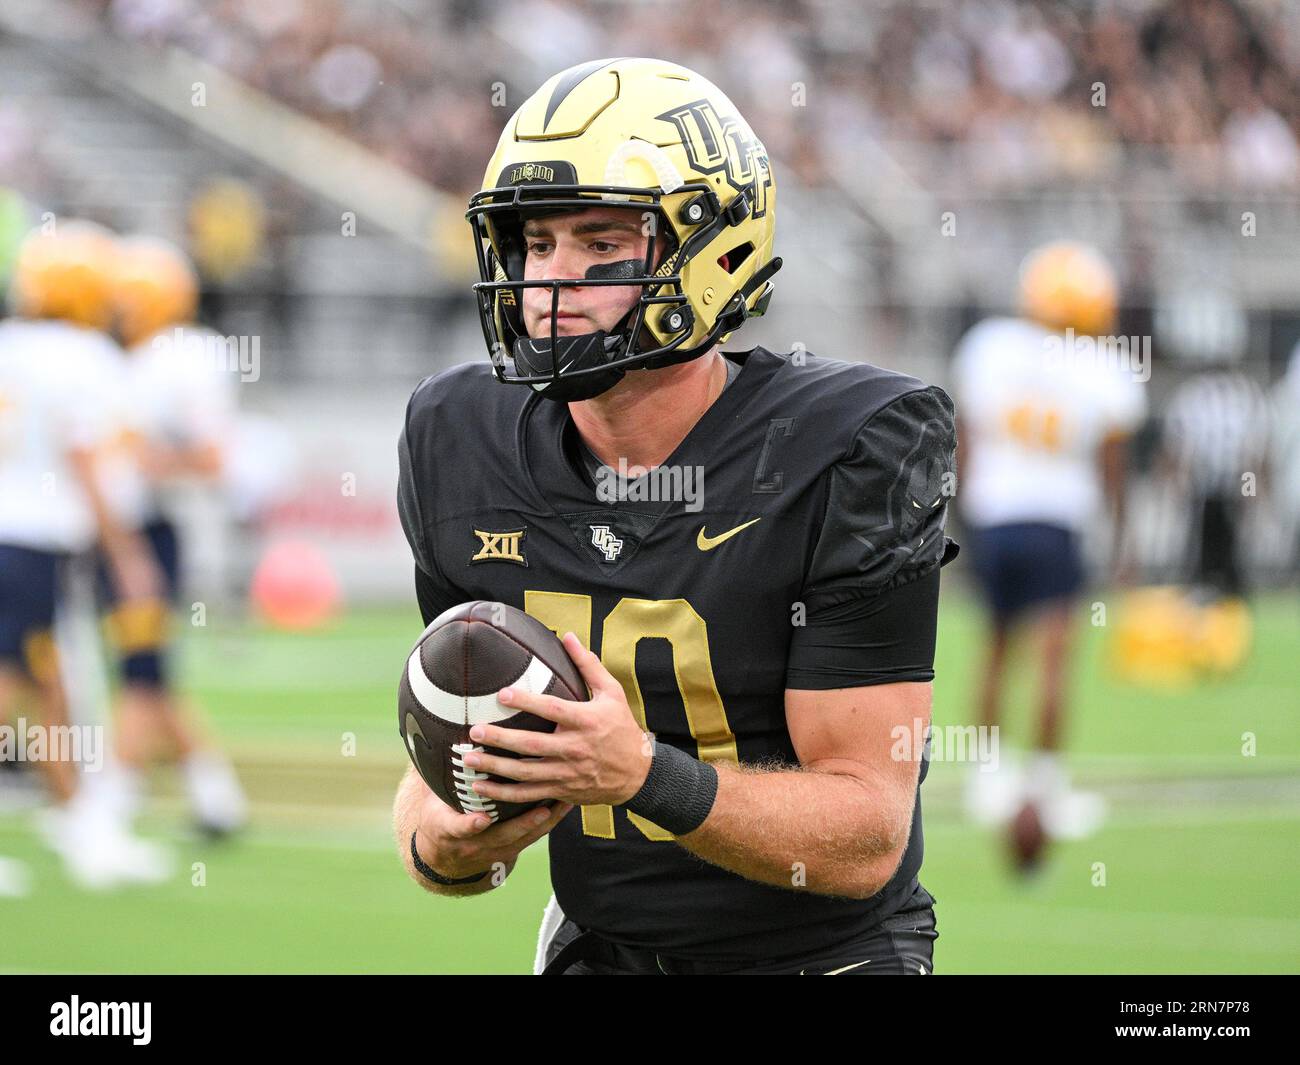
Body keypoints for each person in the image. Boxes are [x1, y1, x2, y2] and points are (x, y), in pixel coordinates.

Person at [393, 58, 958, 975]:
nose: (551, 282)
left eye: (600, 242)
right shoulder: (459, 438)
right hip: (600, 949)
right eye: (536, 244)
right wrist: (446, 842)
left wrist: (643, 774)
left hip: (818, 958)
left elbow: (867, 830)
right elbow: (447, 770)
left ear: (716, 251)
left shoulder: (847, 444)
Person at [951, 240, 1147, 853]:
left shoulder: (990, 346)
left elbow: (966, 441)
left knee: (995, 649)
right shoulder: (1103, 369)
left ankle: (988, 779)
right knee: (1055, 659)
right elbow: (1113, 468)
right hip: (1056, 522)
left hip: (993, 516)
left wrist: (961, 516)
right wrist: (1122, 539)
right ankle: (1044, 783)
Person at [0, 222, 171, 889]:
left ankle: (81, 825)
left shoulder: (10, 344)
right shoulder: (83, 357)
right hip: (34, 542)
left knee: (51, 688)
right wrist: (125, 550)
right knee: (21, 685)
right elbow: (84, 458)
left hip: (17, 537)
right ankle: (84, 828)